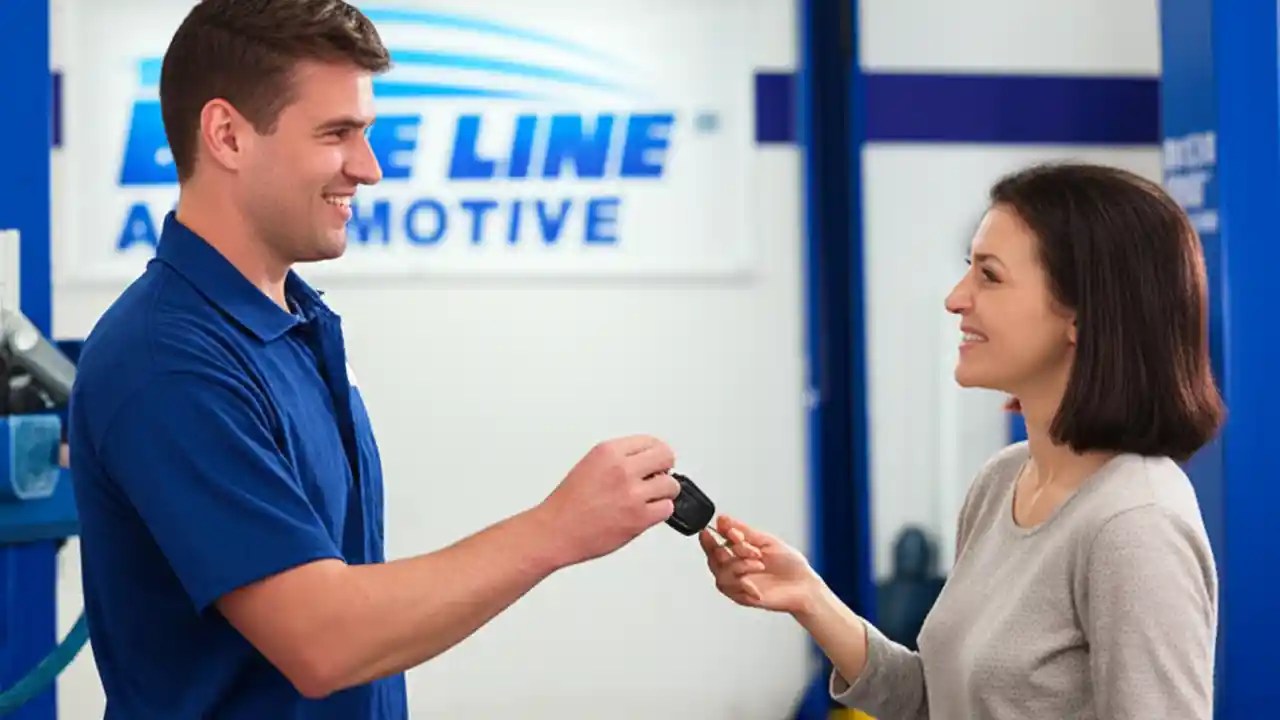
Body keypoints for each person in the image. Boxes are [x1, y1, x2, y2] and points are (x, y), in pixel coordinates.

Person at [67, 1, 682, 717]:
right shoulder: (168, 364)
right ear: (228, 135)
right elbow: (323, 641)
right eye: (337, 134)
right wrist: (557, 528)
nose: (370, 168)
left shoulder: (293, 324)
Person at [702, 162, 1224, 719]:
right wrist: (809, 597)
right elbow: (940, 702)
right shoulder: (1002, 481)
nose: (955, 298)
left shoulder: (1134, 525)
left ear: (1084, 314)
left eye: (989, 276)